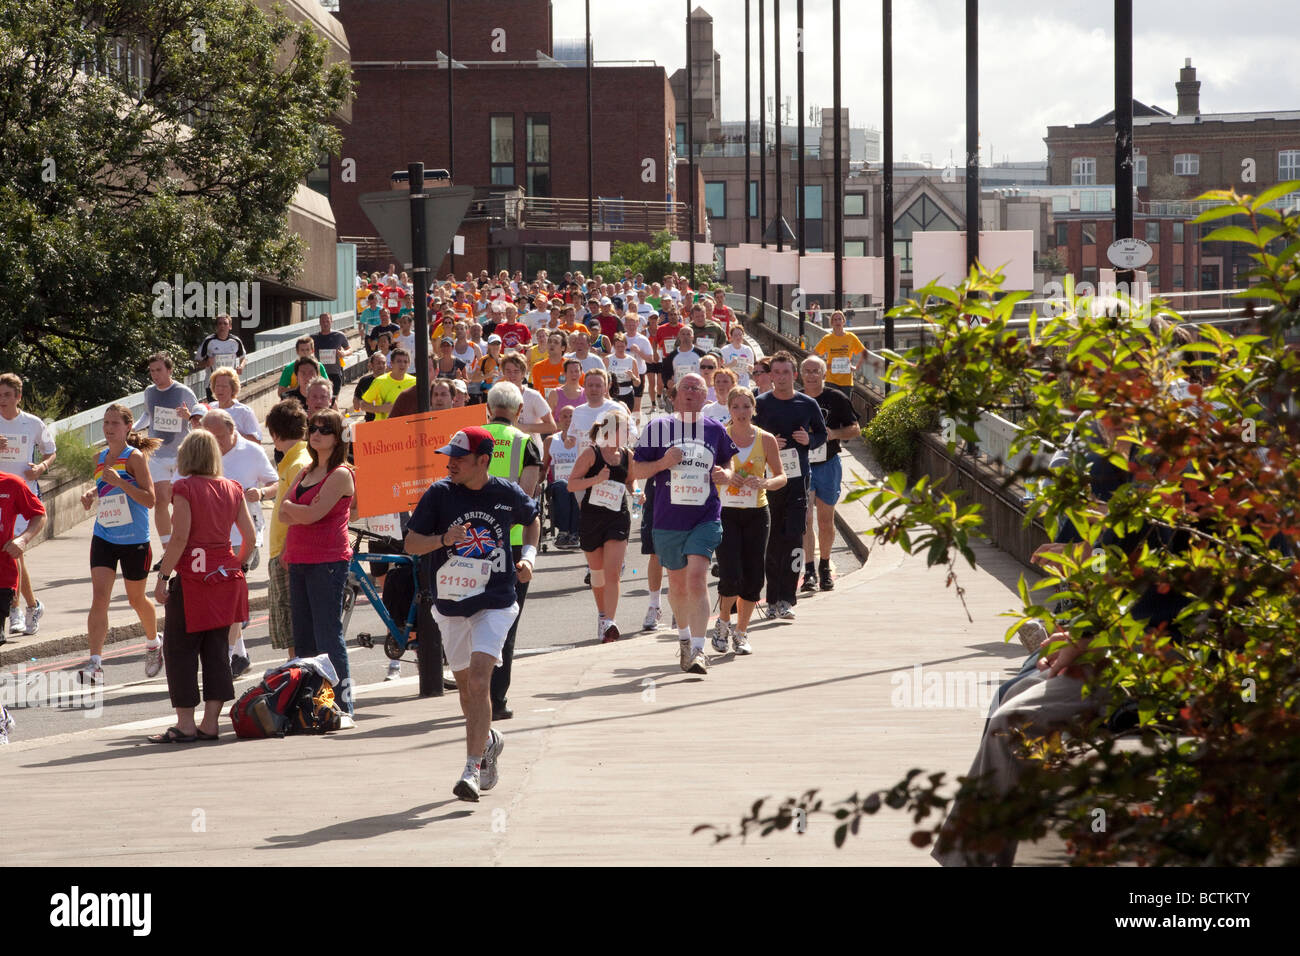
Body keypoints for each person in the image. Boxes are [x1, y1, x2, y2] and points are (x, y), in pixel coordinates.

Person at [404, 426, 540, 801]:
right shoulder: (439, 494)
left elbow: (532, 521)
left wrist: (528, 557)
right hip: (450, 606)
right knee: (466, 690)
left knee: (481, 681)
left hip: (495, 600)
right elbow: (412, 543)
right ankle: (489, 740)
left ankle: (471, 768)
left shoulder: (506, 492)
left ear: (484, 461)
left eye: (459, 459)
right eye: (449, 457)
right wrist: (444, 540)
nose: (451, 464)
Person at [631, 373, 739, 676]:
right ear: (675, 395)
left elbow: (729, 464)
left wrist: (726, 475)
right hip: (667, 519)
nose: (692, 392)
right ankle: (683, 640)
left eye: (698, 388)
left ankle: (699, 650)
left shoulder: (715, 428)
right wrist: (663, 463)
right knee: (677, 585)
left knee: (696, 578)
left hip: (704, 517)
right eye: (686, 388)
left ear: (705, 397)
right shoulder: (657, 427)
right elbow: (636, 469)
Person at [149, 429, 252, 743]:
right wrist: (237, 563)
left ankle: (185, 724)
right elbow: (249, 537)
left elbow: (180, 538)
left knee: (179, 651)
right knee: (217, 651)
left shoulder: (185, 488)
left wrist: (163, 577)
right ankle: (211, 723)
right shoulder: (233, 488)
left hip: (193, 582)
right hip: (224, 578)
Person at [278, 409, 357, 724]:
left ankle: (343, 705)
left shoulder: (341, 473)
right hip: (299, 559)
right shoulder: (307, 470)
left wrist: (296, 509)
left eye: (325, 429)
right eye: (314, 428)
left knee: (328, 635)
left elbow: (311, 515)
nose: (317, 433)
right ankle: (312, 704)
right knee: (304, 638)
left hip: (327, 560)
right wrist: (300, 509)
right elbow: (284, 513)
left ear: (337, 437)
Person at [78, 404, 161, 683]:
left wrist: (122, 483)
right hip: (105, 534)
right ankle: (95, 664)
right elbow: (106, 487)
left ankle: (153, 643)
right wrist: (92, 493)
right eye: (106, 422)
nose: (109, 428)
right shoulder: (100, 457)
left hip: (134, 539)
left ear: (128, 427)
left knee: (136, 599)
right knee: (100, 597)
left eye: (115, 423)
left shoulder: (134, 457)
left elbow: (150, 499)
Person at [482, 383, 543, 720]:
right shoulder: (525, 444)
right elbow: (526, 496)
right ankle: (497, 700)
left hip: (472, 538)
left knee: (476, 617)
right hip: (513, 541)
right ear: (520, 411)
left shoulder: (472, 436)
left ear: (488, 409)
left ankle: (474, 693)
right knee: (506, 620)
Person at [202, 408, 277, 677]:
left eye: (219, 436)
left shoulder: (252, 452)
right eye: (209, 436)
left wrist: (262, 492)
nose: (215, 442)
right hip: (210, 536)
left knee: (230, 596)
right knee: (222, 597)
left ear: (232, 430)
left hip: (243, 535)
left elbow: (275, 483)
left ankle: (226, 655)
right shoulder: (201, 451)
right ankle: (240, 655)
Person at [712, 387, 786, 655]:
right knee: (731, 574)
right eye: (736, 407)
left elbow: (782, 476)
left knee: (754, 577)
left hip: (757, 512)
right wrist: (724, 475)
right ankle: (723, 623)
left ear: (753, 408)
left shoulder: (765, 439)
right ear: (729, 409)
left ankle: (741, 633)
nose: (741, 413)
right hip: (727, 512)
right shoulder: (720, 434)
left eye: (746, 407)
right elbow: (712, 470)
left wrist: (764, 481)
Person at [754, 351, 827, 619]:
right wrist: (767, 442)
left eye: (787, 372)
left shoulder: (807, 404)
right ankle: (771, 599)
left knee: (794, 536)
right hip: (770, 481)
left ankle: (788, 598)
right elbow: (746, 437)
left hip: (799, 480)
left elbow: (821, 433)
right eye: (777, 373)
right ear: (770, 375)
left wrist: (809, 440)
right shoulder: (760, 404)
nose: (782, 378)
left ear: (793, 375)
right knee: (773, 540)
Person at [566, 406, 636, 642]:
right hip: (592, 517)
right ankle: (603, 615)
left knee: (612, 573)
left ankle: (610, 623)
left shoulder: (628, 455)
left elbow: (631, 481)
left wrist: (636, 493)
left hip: (617, 517)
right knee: (597, 575)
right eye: (625, 429)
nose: (628, 433)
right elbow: (571, 485)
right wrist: (596, 479)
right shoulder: (591, 454)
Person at [799, 355, 861, 593]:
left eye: (816, 371)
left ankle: (825, 567)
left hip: (828, 464)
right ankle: (809, 571)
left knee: (825, 520)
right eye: (808, 371)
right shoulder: (796, 399)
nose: (812, 375)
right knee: (806, 520)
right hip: (803, 465)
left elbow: (855, 429)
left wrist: (833, 434)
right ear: (801, 374)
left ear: (824, 374)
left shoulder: (836, 398)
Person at [0, 373, 56, 635]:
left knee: (14, 550)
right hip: (1, 496)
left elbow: (50, 450)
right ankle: (31, 606)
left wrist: (41, 467)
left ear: (18, 397)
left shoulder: (32, 423)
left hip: (23, 497)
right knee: (12, 553)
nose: (2, 400)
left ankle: (16, 610)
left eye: (7, 395)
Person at [138, 353, 198, 568]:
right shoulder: (149, 392)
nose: (155, 375)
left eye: (159, 370)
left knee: (184, 502)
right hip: (158, 454)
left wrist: (187, 415)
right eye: (152, 371)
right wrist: (132, 429)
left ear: (169, 370)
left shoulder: (184, 392)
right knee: (161, 500)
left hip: (182, 455)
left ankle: (187, 547)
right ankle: (167, 550)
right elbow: (148, 415)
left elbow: (198, 417)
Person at [265, 401, 310, 661]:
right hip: (287, 552)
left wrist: (286, 551)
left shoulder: (296, 465)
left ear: (275, 435)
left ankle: (297, 681)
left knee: (292, 629)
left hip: (286, 554)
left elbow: (297, 514)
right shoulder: (299, 460)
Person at [543, 405, 582, 548]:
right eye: (565, 416)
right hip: (557, 485)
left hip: (578, 482)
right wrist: (536, 483)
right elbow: (544, 466)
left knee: (575, 487)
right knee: (563, 486)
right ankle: (564, 532)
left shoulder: (583, 441)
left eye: (571, 416)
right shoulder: (551, 441)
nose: (568, 420)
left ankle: (574, 533)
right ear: (559, 419)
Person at [499, 354, 557, 438]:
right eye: (508, 371)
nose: (512, 375)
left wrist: (525, 427)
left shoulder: (533, 396)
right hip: (506, 447)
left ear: (523, 374)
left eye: (516, 371)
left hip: (530, 448)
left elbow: (551, 426)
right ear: (503, 372)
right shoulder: (498, 396)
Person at [813, 309, 867, 396]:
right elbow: (812, 355)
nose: (837, 322)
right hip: (831, 380)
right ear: (832, 323)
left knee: (845, 408)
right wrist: (823, 365)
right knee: (832, 407)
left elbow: (864, 353)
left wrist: (856, 367)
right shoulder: (827, 339)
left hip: (846, 381)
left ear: (843, 321)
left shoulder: (851, 337)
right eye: (835, 320)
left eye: (839, 319)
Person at [194, 314, 246, 400]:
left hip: (230, 383)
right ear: (216, 326)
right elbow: (196, 363)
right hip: (212, 384)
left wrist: (241, 366)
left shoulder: (235, 341)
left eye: (225, 323)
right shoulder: (209, 341)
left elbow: (243, 357)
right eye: (220, 323)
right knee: (215, 412)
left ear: (230, 326)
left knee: (228, 411)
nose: (222, 326)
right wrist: (206, 363)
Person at [204, 367, 262, 443]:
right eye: (217, 386)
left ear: (233, 389)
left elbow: (257, 441)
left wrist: (231, 434)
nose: (220, 389)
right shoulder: (210, 408)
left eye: (224, 386)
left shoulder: (244, 412)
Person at [358, 347, 415, 421]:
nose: (402, 364)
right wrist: (380, 409)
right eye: (399, 361)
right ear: (391, 364)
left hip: (407, 427)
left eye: (405, 362)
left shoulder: (414, 382)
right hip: (384, 427)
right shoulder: (380, 381)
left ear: (409, 364)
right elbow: (363, 405)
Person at [311, 312, 352, 399]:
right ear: (319, 323)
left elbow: (349, 349)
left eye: (327, 321)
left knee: (333, 400)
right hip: (319, 374)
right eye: (323, 321)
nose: (325, 324)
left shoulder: (339, 335)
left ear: (331, 321)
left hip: (335, 372)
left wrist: (343, 353)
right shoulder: (313, 338)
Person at [606, 334, 641, 411]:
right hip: (612, 393)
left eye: (622, 346)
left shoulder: (632, 360)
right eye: (618, 347)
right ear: (614, 347)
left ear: (626, 346)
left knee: (626, 418)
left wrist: (633, 377)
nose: (620, 349)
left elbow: (637, 383)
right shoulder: (608, 359)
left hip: (627, 393)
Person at [352, 352, 388, 423]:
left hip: (389, 420)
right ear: (371, 365)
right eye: (378, 363)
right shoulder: (364, 381)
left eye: (383, 363)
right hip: (370, 421)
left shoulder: (391, 379)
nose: (381, 365)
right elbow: (356, 401)